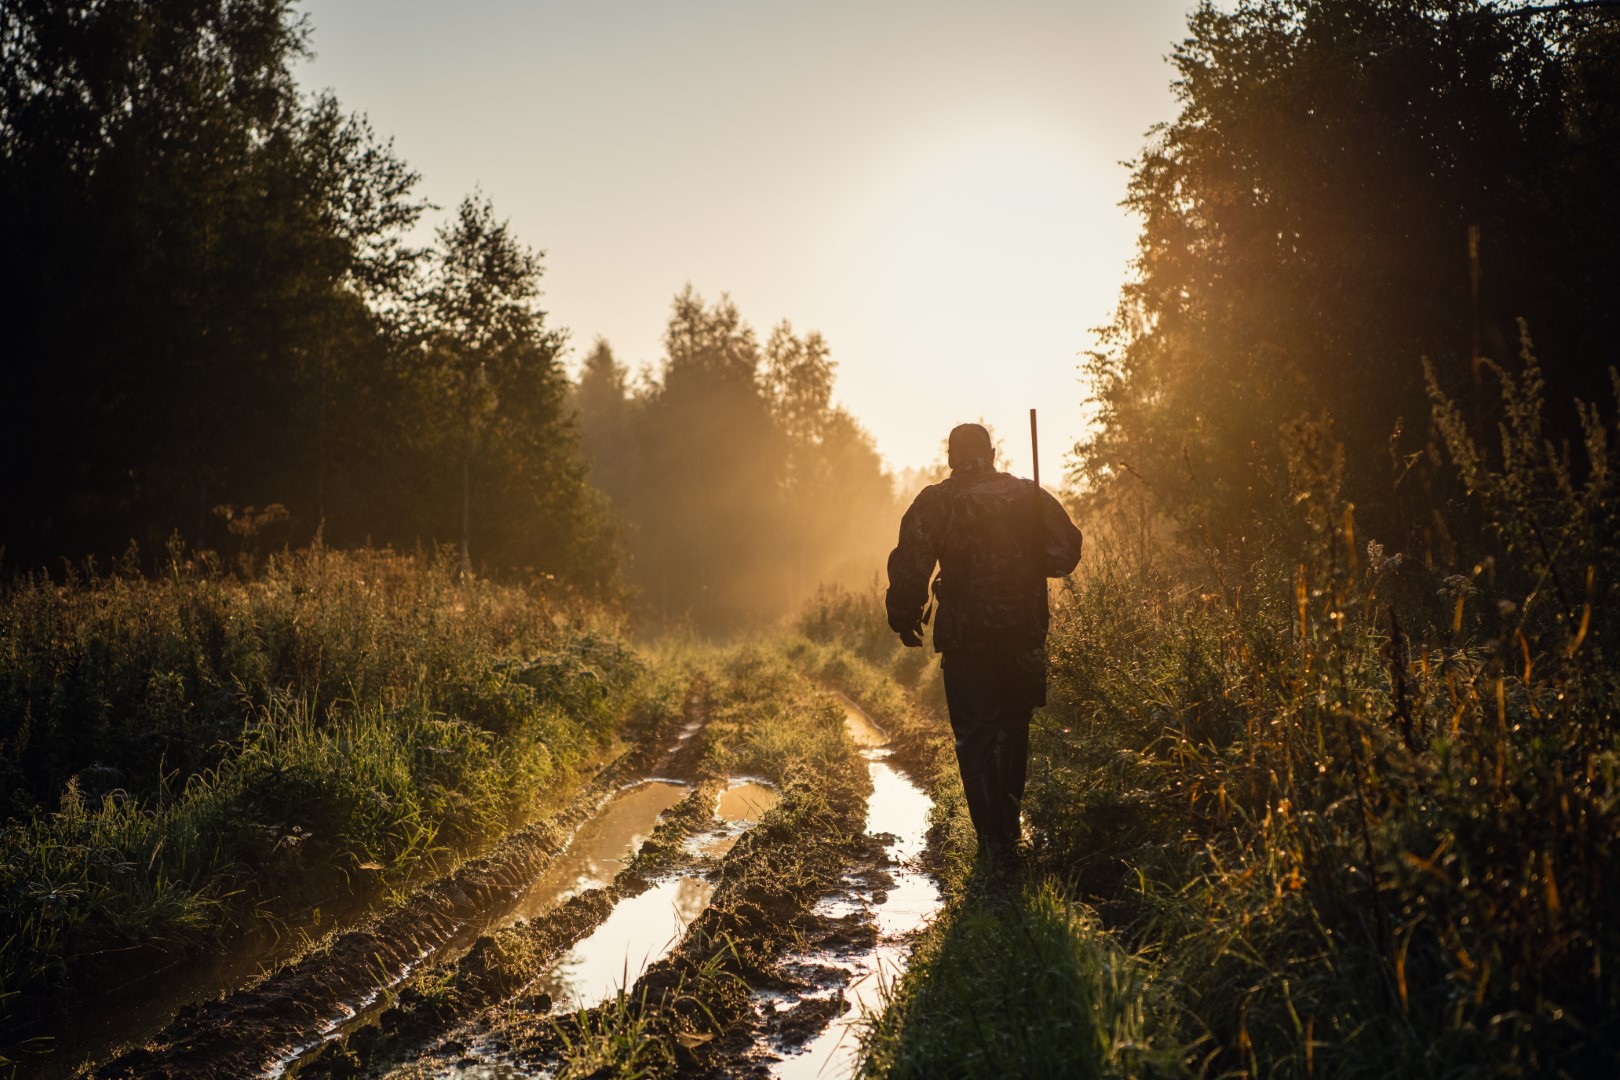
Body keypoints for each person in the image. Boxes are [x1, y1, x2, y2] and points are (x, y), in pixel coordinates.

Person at [885, 422, 1082, 865]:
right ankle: (1009, 833)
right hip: (1024, 632)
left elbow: (912, 563)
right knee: (1014, 729)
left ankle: (991, 843)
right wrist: (1026, 555)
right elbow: (1065, 555)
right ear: (992, 454)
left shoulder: (937, 501)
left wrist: (904, 615)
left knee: (975, 735)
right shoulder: (1029, 495)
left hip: (966, 637)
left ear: (951, 457)